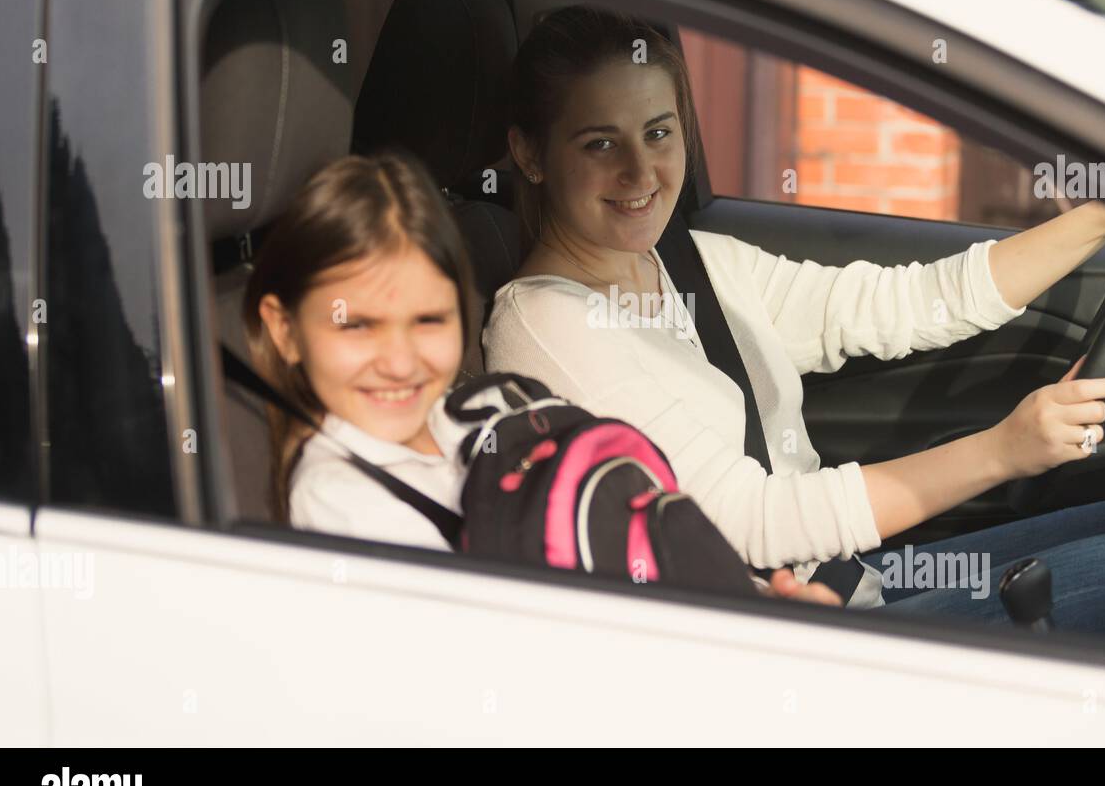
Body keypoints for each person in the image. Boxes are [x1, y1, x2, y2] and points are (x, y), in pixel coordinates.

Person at [482, 6, 1105, 635]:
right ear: (529, 154)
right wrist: (1002, 451)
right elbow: (750, 520)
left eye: (659, 133)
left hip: (846, 579)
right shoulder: (546, 321)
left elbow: (909, 303)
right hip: (769, 633)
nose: (641, 174)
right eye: (600, 144)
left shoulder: (695, 264)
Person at [242, 152, 839, 604]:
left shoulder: (467, 414)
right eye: (358, 327)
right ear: (285, 330)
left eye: (428, 320)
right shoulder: (343, 500)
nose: (399, 360)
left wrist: (754, 604)